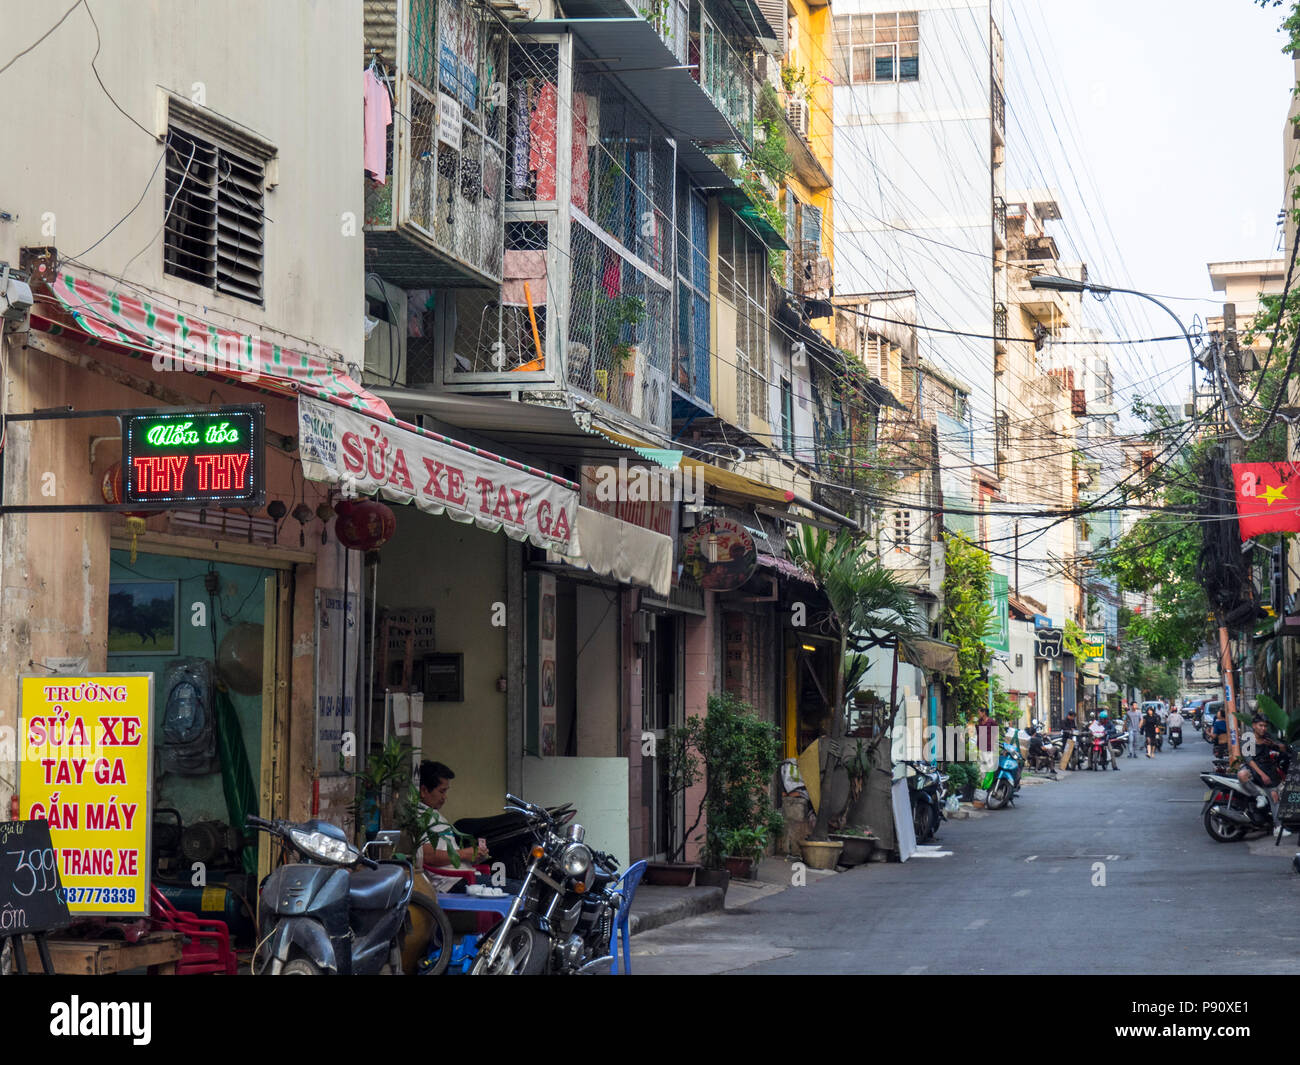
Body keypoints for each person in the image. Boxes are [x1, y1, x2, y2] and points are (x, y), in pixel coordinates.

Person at [416, 760, 489, 870]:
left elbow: (451, 855)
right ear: (424, 790)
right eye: (442, 791)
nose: (445, 797)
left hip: (467, 875)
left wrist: (473, 856)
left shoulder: (435, 815)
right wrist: (464, 854)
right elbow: (426, 856)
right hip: (454, 882)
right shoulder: (420, 816)